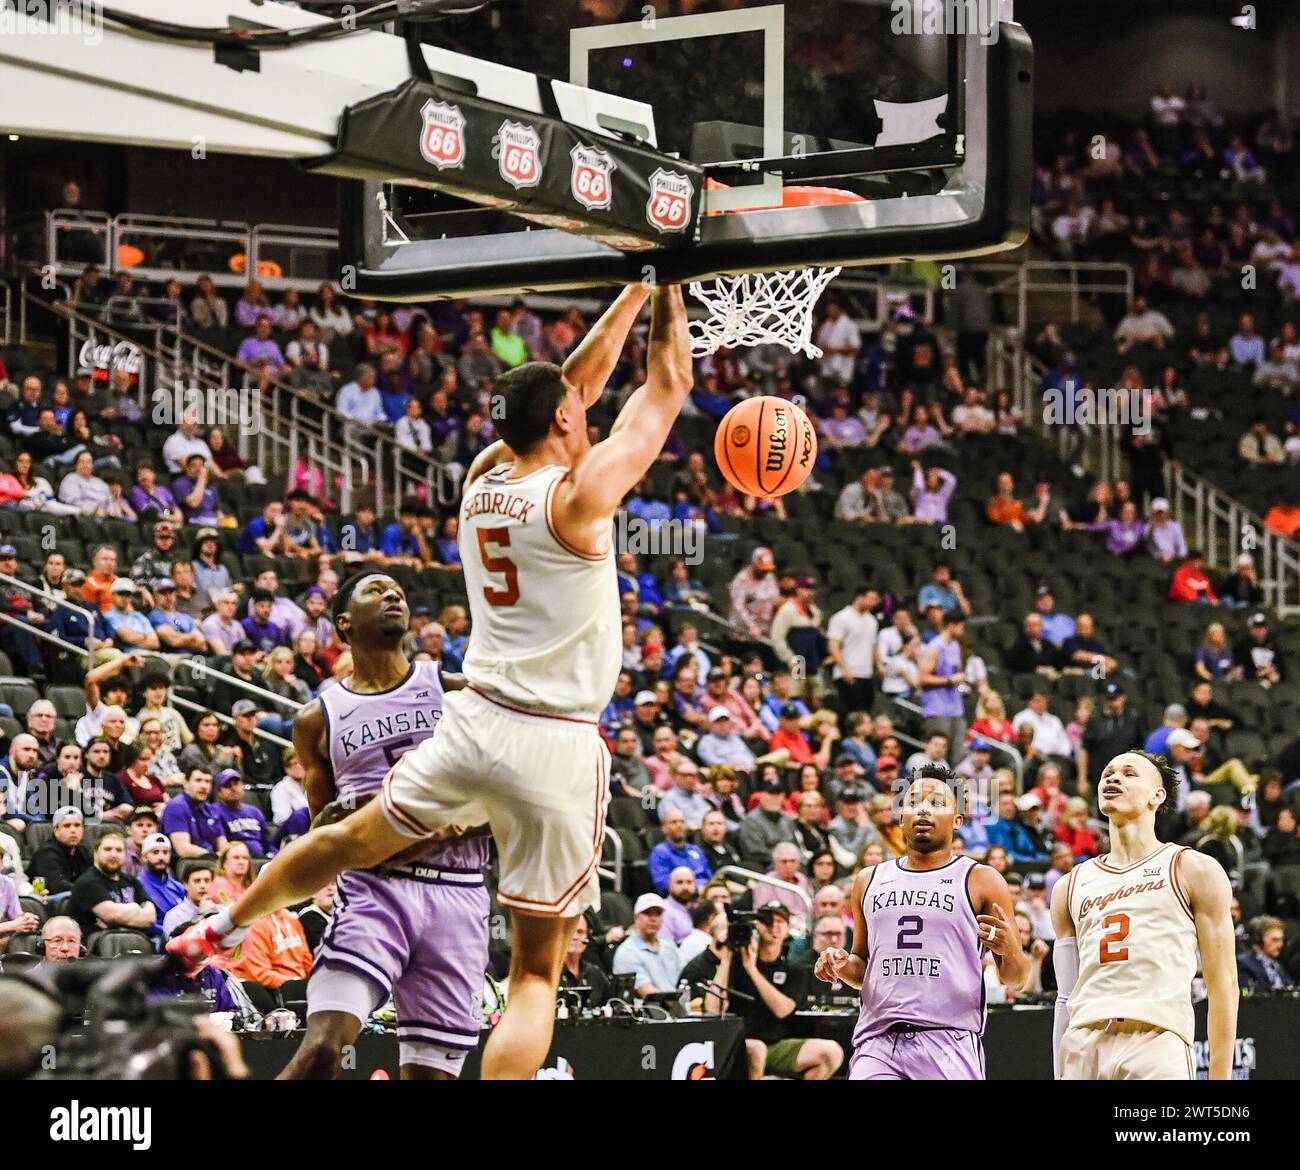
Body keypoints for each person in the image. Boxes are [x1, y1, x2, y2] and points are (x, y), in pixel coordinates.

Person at [169, 285, 688, 1080]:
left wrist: (636, 287)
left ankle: (226, 925)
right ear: (563, 422)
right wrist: (674, 280)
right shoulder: (582, 499)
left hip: (475, 721)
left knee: (346, 841)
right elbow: (667, 385)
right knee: (534, 974)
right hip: (557, 743)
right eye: (573, 411)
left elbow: (572, 388)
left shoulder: (482, 479)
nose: (580, 413)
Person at [816, 767, 1028, 1079]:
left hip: (949, 1041)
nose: (923, 810)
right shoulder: (868, 879)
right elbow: (863, 967)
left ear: (957, 821)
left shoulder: (981, 879)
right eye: (913, 802)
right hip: (878, 1042)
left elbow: (1017, 979)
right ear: (900, 817)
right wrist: (840, 964)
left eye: (937, 803)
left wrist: (1010, 951)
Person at [1050, 751, 1237, 1079]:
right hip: (1083, 1042)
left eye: (1129, 773)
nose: (1113, 778)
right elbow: (1065, 995)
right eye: (1107, 772)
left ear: (1157, 794)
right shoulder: (1070, 885)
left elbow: (1223, 984)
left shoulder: (1193, 868)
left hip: (1157, 1039)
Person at [686, 899, 841, 1079]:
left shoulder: (794, 969)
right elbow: (713, 1008)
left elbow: (783, 1010)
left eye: (780, 922)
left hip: (776, 1045)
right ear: (757, 926)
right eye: (767, 921)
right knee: (756, 1050)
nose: (773, 926)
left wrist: (752, 970)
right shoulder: (734, 963)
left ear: (787, 928)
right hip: (738, 1044)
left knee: (832, 1052)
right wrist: (727, 957)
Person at [66, 830, 157, 940]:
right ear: (96, 852)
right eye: (107, 849)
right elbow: (113, 915)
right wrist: (136, 907)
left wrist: (116, 922)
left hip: (133, 943)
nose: (113, 854)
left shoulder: (131, 880)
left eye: (119, 850)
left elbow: (151, 917)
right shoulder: (87, 882)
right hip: (99, 948)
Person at [612, 892, 683, 997]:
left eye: (658, 913)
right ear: (636, 917)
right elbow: (648, 994)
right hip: (648, 1009)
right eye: (647, 913)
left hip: (677, 1006)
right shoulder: (627, 952)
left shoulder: (669, 946)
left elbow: (683, 981)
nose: (653, 919)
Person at [648, 808, 711, 892]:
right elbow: (663, 884)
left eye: (682, 822)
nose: (679, 825)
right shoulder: (659, 852)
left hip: (706, 894)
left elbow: (710, 876)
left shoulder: (696, 850)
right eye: (674, 822)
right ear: (664, 828)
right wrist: (698, 887)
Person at [558, 915, 611, 1008]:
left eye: (580, 932)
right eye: (570, 931)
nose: (575, 937)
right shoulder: (548, 973)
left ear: (588, 938)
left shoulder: (595, 975)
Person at [1236, 916, 1293, 991]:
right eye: (1275, 940)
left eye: (1281, 940)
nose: (1280, 945)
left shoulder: (1278, 965)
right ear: (1258, 939)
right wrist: (1247, 994)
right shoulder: (1244, 963)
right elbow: (1244, 993)